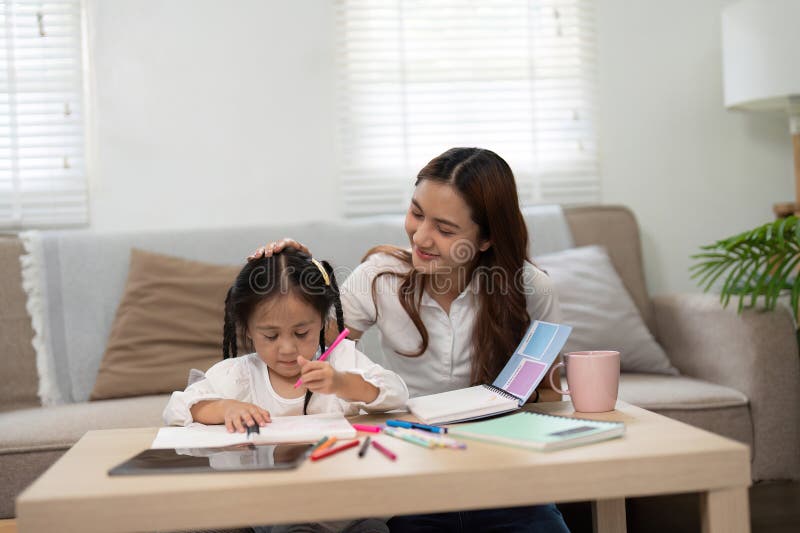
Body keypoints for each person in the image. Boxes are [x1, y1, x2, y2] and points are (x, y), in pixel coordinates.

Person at [250, 147, 571, 532]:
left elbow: (549, 396)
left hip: (505, 479)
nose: (420, 236)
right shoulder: (379, 277)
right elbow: (312, 353)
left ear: (486, 238)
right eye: (417, 213)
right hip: (414, 477)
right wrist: (297, 277)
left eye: (445, 229)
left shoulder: (531, 289)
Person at [164, 248, 408, 533]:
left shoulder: (340, 360)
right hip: (261, 514)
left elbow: (397, 393)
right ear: (248, 330)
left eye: (302, 333)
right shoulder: (238, 375)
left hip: (337, 516)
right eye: (271, 336)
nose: (288, 348)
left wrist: (343, 383)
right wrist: (224, 408)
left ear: (322, 321)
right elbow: (178, 408)